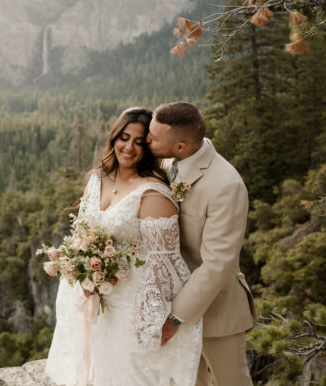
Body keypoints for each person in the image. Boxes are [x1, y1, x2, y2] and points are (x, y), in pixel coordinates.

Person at [45, 107, 202, 386]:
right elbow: (83, 232)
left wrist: (154, 321)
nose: (128, 147)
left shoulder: (152, 192)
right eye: (124, 137)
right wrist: (75, 262)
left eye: (139, 141)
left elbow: (162, 264)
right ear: (114, 137)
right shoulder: (97, 180)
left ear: (149, 147)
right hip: (93, 298)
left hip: (132, 305)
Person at [147, 101, 255, 386]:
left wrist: (175, 317)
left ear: (180, 146)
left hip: (217, 312)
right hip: (170, 304)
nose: (147, 140)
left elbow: (218, 264)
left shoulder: (226, 184)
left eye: (154, 138)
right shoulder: (169, 163)